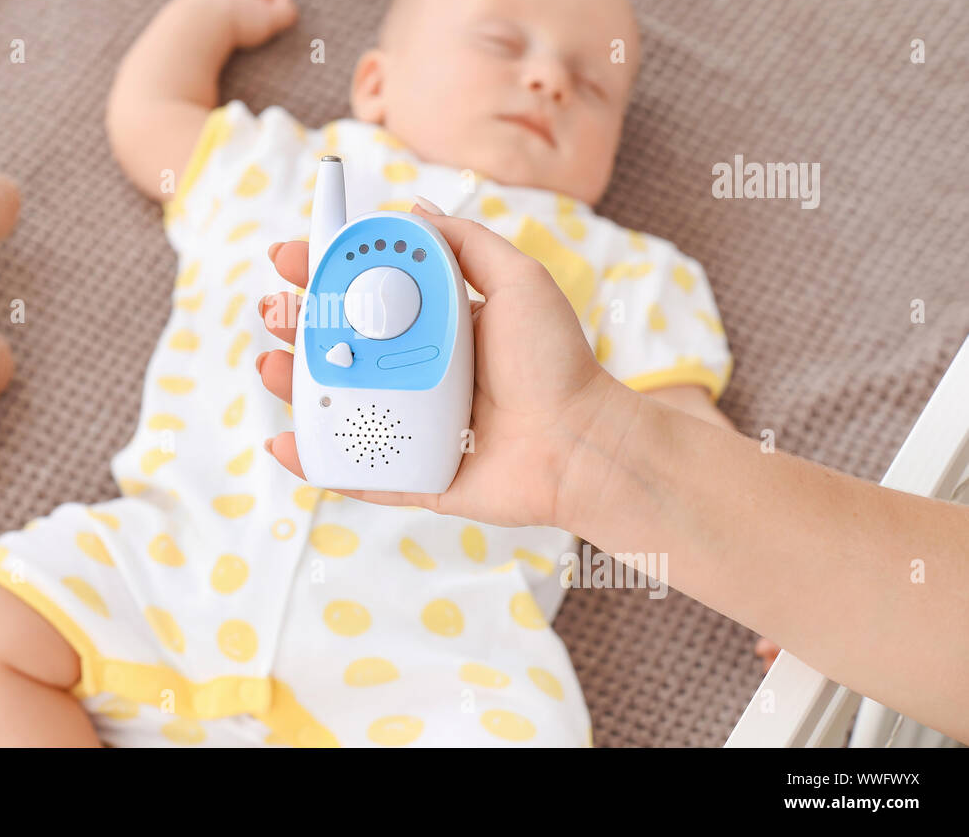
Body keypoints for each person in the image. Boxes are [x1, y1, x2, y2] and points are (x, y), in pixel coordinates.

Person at [257, 198, 969, 745]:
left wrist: (785, 585)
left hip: (444, 636)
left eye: (592, 84)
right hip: (192, 563)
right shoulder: (275, 162)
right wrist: (219, 12)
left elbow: (681, 418)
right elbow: (156, 117)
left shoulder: (620, 258)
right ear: (376, 80)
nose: (546, 80)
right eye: (502, 45)